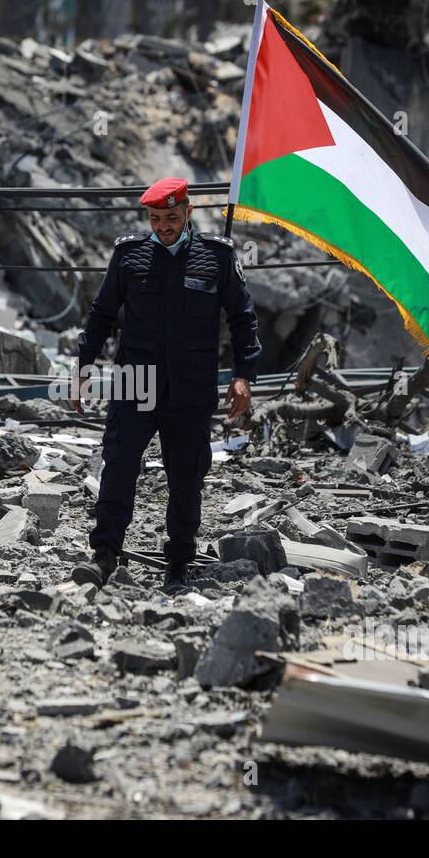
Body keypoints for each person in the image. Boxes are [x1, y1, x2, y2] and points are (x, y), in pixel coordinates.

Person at [70, 176, 262, 589]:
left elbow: (243, 318)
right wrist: (83, 366)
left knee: (186, 475)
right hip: (134, 380)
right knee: (119, 465)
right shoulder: (129, 256)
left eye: (171, 217)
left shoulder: (217, 257)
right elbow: (102, 313)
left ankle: (178, 562)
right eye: (156, 218)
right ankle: (104, 554)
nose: (163, 226)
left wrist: (244, 375)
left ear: (188, 212)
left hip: (191, 387)